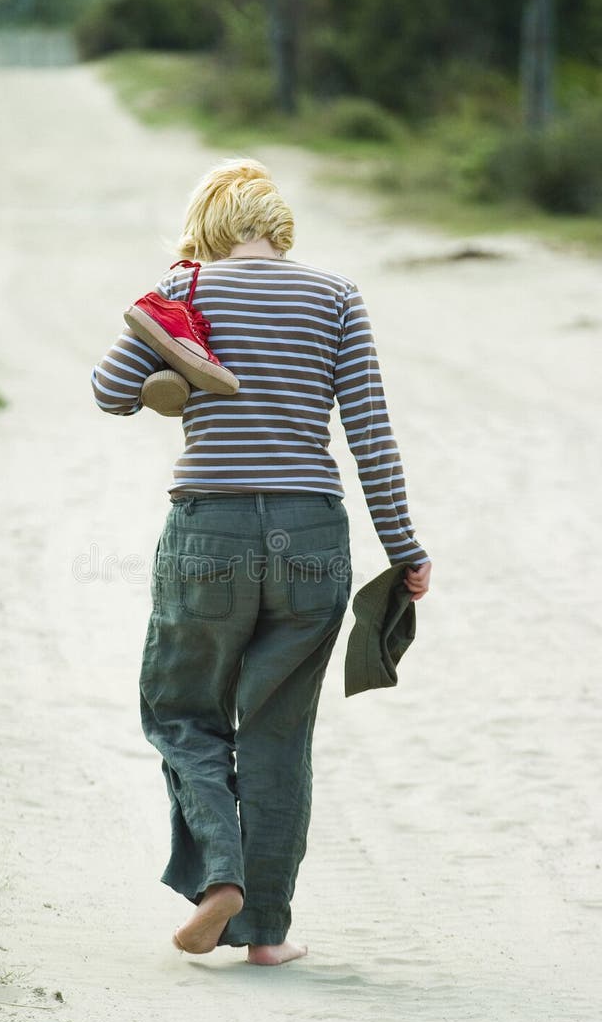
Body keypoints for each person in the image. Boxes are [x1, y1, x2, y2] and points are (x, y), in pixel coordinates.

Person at [92, 159, 431, 966]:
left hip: (209, 530)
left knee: (183, 710)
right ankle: (266, 936)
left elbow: (109, 391)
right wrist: (405, 549)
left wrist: (166, 358)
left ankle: (220, 880)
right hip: (311, 532)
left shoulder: (183, 295)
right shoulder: (336, 296)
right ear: (278, 228)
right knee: (279, 730)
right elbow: (371, 436)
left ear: (207, 229)